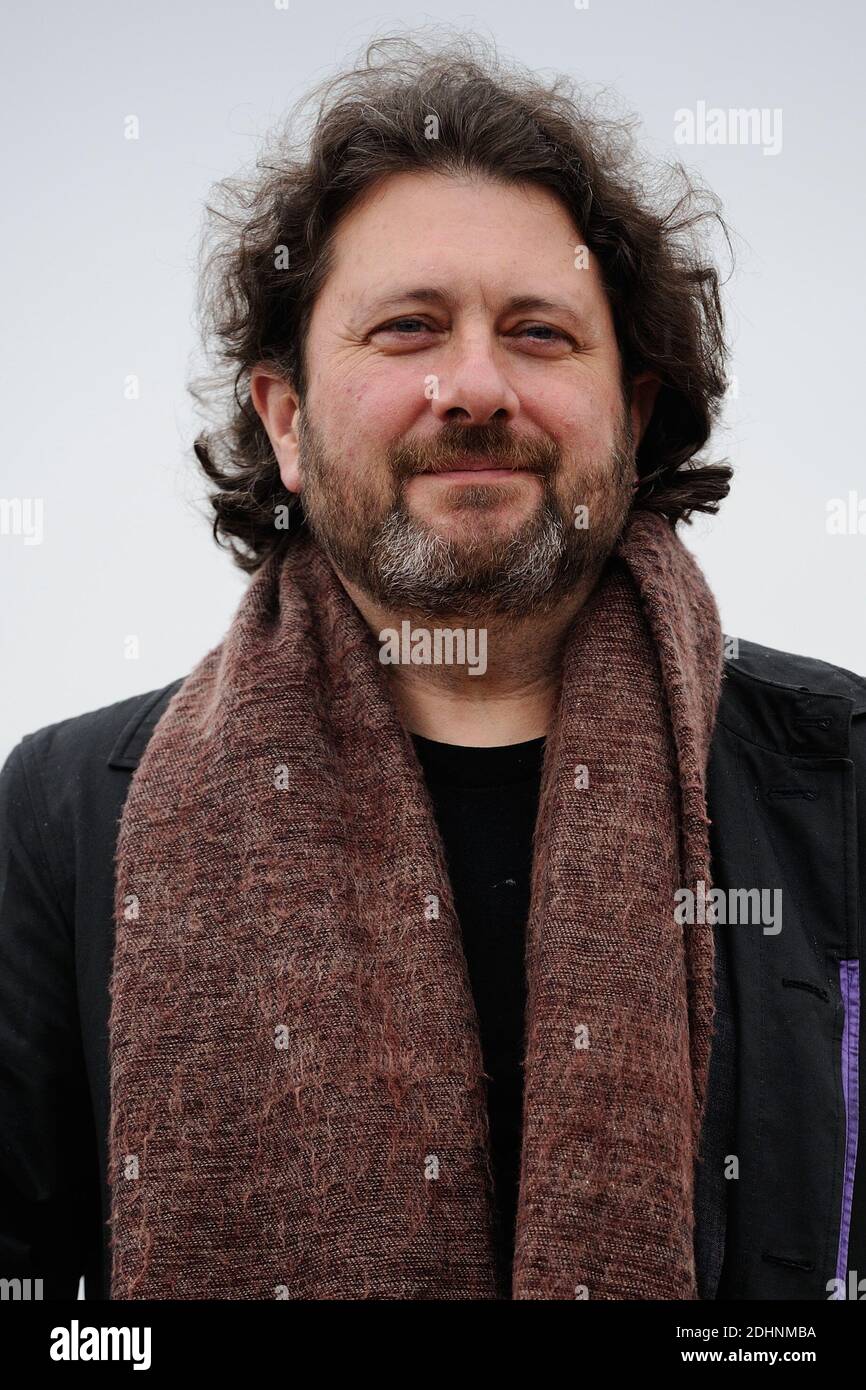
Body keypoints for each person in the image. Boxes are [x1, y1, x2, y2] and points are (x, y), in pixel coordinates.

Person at [1, 32, 863, 1302]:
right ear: (286, 422)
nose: (472, 386)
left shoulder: (838, 772)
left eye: (538, 334)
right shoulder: (68, 811)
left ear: (631, 414)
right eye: (408, 329)